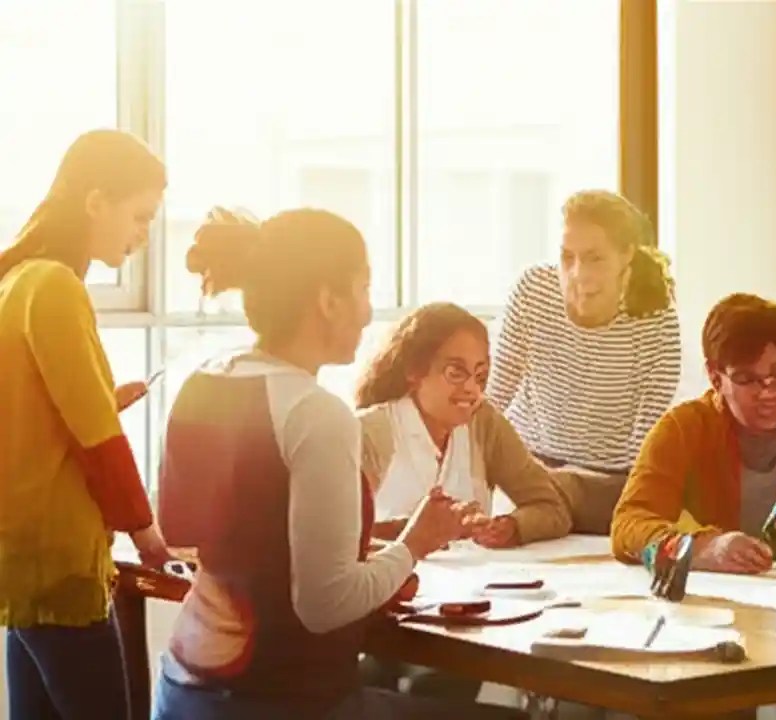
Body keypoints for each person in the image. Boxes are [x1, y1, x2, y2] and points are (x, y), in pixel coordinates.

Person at [153, 208, 524, 720]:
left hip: (183, 693)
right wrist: (414, 543)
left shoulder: (204, 383)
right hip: (279, 702)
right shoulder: (316, 414)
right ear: (328, 300)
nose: (369, 313)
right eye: (364, 289)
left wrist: (373, 552)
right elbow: (325, 605)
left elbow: (212, 535)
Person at [0, 129, 171, 720]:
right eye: (140, 217)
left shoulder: (14, 284)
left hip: (20, 564)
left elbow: (34, 420)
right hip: (62, 563)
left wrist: (106, 402)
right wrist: (147, 535)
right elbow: (97, 438)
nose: (142, 236)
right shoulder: (54, 287)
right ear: (96, 201)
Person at [611, 293, 776, 573]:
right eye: (747, 379)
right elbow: (628, 527)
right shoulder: (684, 429)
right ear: (715, 377)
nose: (769, 391)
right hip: (733, 604)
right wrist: (703, 549)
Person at [488, 190, 681, 533]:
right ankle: (532, 516)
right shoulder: (533, 291)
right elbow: (495, 395)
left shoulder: (654, 314)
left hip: (605, 483)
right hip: (529, 467)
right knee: (531, 487)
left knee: (562, 491)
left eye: (595, 258)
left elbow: (646, 442)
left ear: (626, 257)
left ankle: (533, 517)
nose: (578, 274)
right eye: (567, 257)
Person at [355, 302, 571, 547]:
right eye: (456, 372)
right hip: (396, 582)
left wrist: (511, 527)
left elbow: (551, 508)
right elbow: (335, 538)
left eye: (480, 376)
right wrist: (412, 530)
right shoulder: (370, 432)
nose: (472, 389)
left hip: (476, 581)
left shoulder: (484, 423)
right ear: (414, 371)